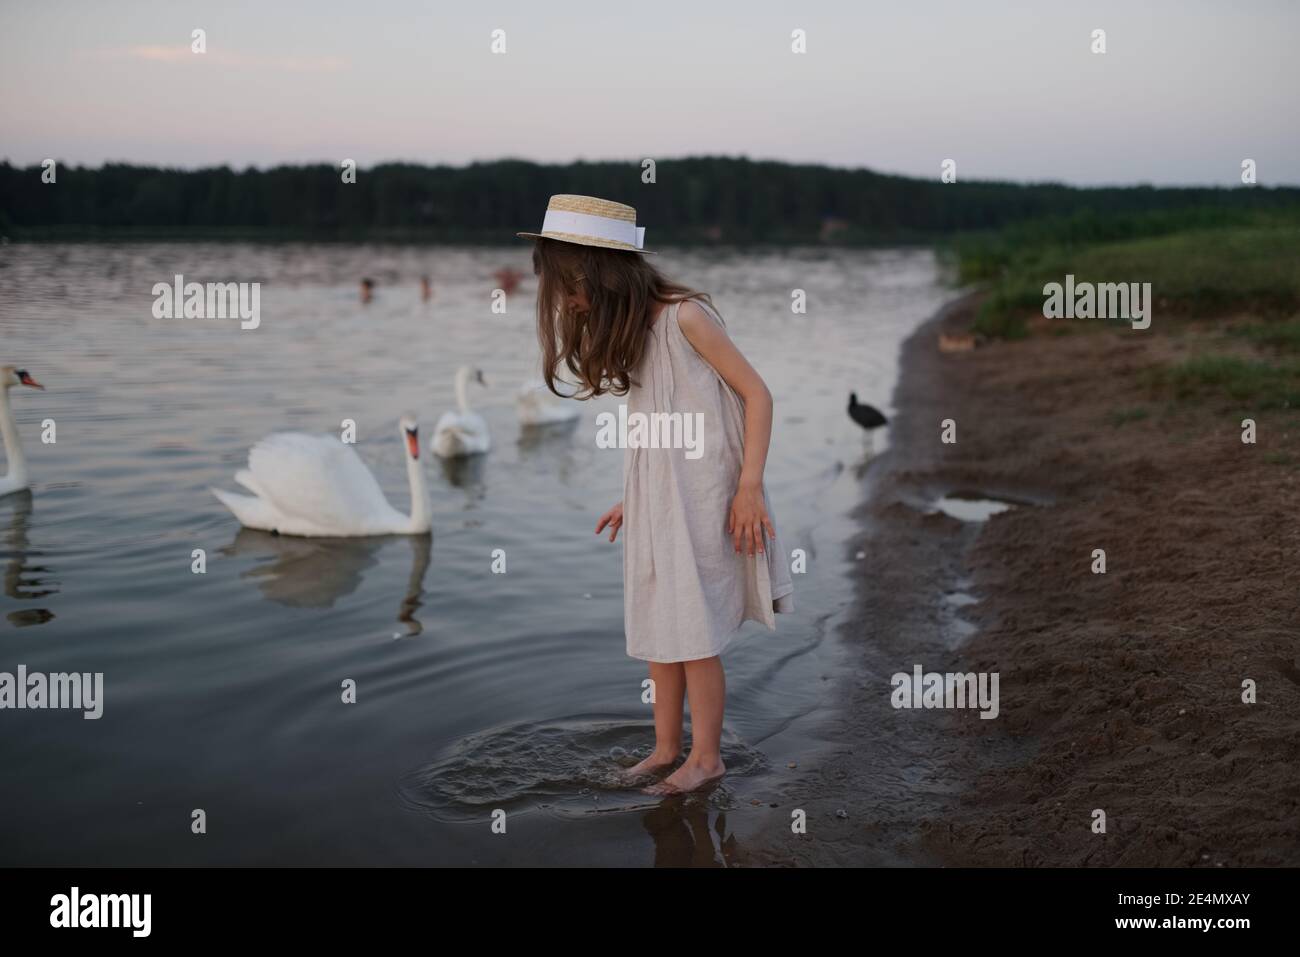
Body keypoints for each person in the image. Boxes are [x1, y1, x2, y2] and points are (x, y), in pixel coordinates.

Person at [517, 195, 794, 795]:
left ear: (600, 272)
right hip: (662, 500)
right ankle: (667, 748)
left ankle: (707, 757)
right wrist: (635, 495)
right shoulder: (630, 329)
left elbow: (758, 395)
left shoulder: (684, 318)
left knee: (694, 630)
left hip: (710, 497)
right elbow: (654, 423)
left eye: (569, 286)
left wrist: (749, 489)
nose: (565, 301)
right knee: (659, 625)